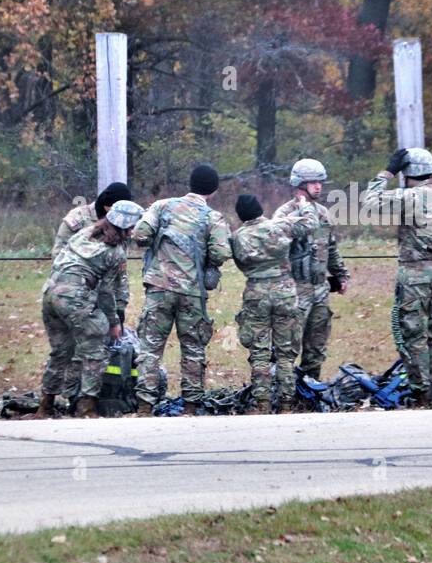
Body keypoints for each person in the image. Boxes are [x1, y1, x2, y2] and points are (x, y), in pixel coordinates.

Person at [132, 164, 231, 416]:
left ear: (190, 184)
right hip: (192, 292)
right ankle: (190, 406)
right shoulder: (213, 217)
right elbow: (221, 252)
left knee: (150, 348)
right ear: (214, 190)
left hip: (159, 288)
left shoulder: (161, 206)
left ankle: (144, 406)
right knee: (193, 348)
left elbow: (140, 234)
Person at [361, 147, 432, 407]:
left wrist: (387, 172)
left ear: (408, 172)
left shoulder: (410, 196)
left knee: (413, 337)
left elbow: (370, 202)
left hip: (414, 273)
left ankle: (421, 394)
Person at [33, 200, 141, 419]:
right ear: (127, 227)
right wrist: (113, 322)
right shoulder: (115, 251)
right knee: (96, 348)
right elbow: (106, 293)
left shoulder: (85, 233)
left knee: (60, 351)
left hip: (50, 293)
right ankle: (87, 407)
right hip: (75, 296)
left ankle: (45, 406)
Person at [230, 193, 319, 413]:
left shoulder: (237, 237)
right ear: (260, 210)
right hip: (284, 292)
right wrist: (304, 206)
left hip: (255, 293)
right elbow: (311, 223)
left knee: (259, 351)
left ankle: (262, 402)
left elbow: (239, 262)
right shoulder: (279, 227)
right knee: (285, 351)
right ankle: (287, 403)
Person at [50, 182, 133, 402]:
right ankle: (74, 398)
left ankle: (97, 394)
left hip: (102, 296)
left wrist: (119, 307)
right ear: (108, 208)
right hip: (76, 293)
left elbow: (119, 272)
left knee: (98, 346)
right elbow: (59, 256)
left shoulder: (122, 224)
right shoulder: (78, 220)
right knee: (73, 349)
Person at [272, 159, 349, 384]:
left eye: (320, 182)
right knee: (287, 345)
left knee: (316, 346)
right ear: (299, 184)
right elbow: (274, 249)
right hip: (295, 289)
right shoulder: (285, 213)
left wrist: (341, 274)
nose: (318, 187)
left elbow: (330, 247)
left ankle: (309, 391)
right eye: (313, 182)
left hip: (320, 289)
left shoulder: (323, 213)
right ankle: (283, 392)